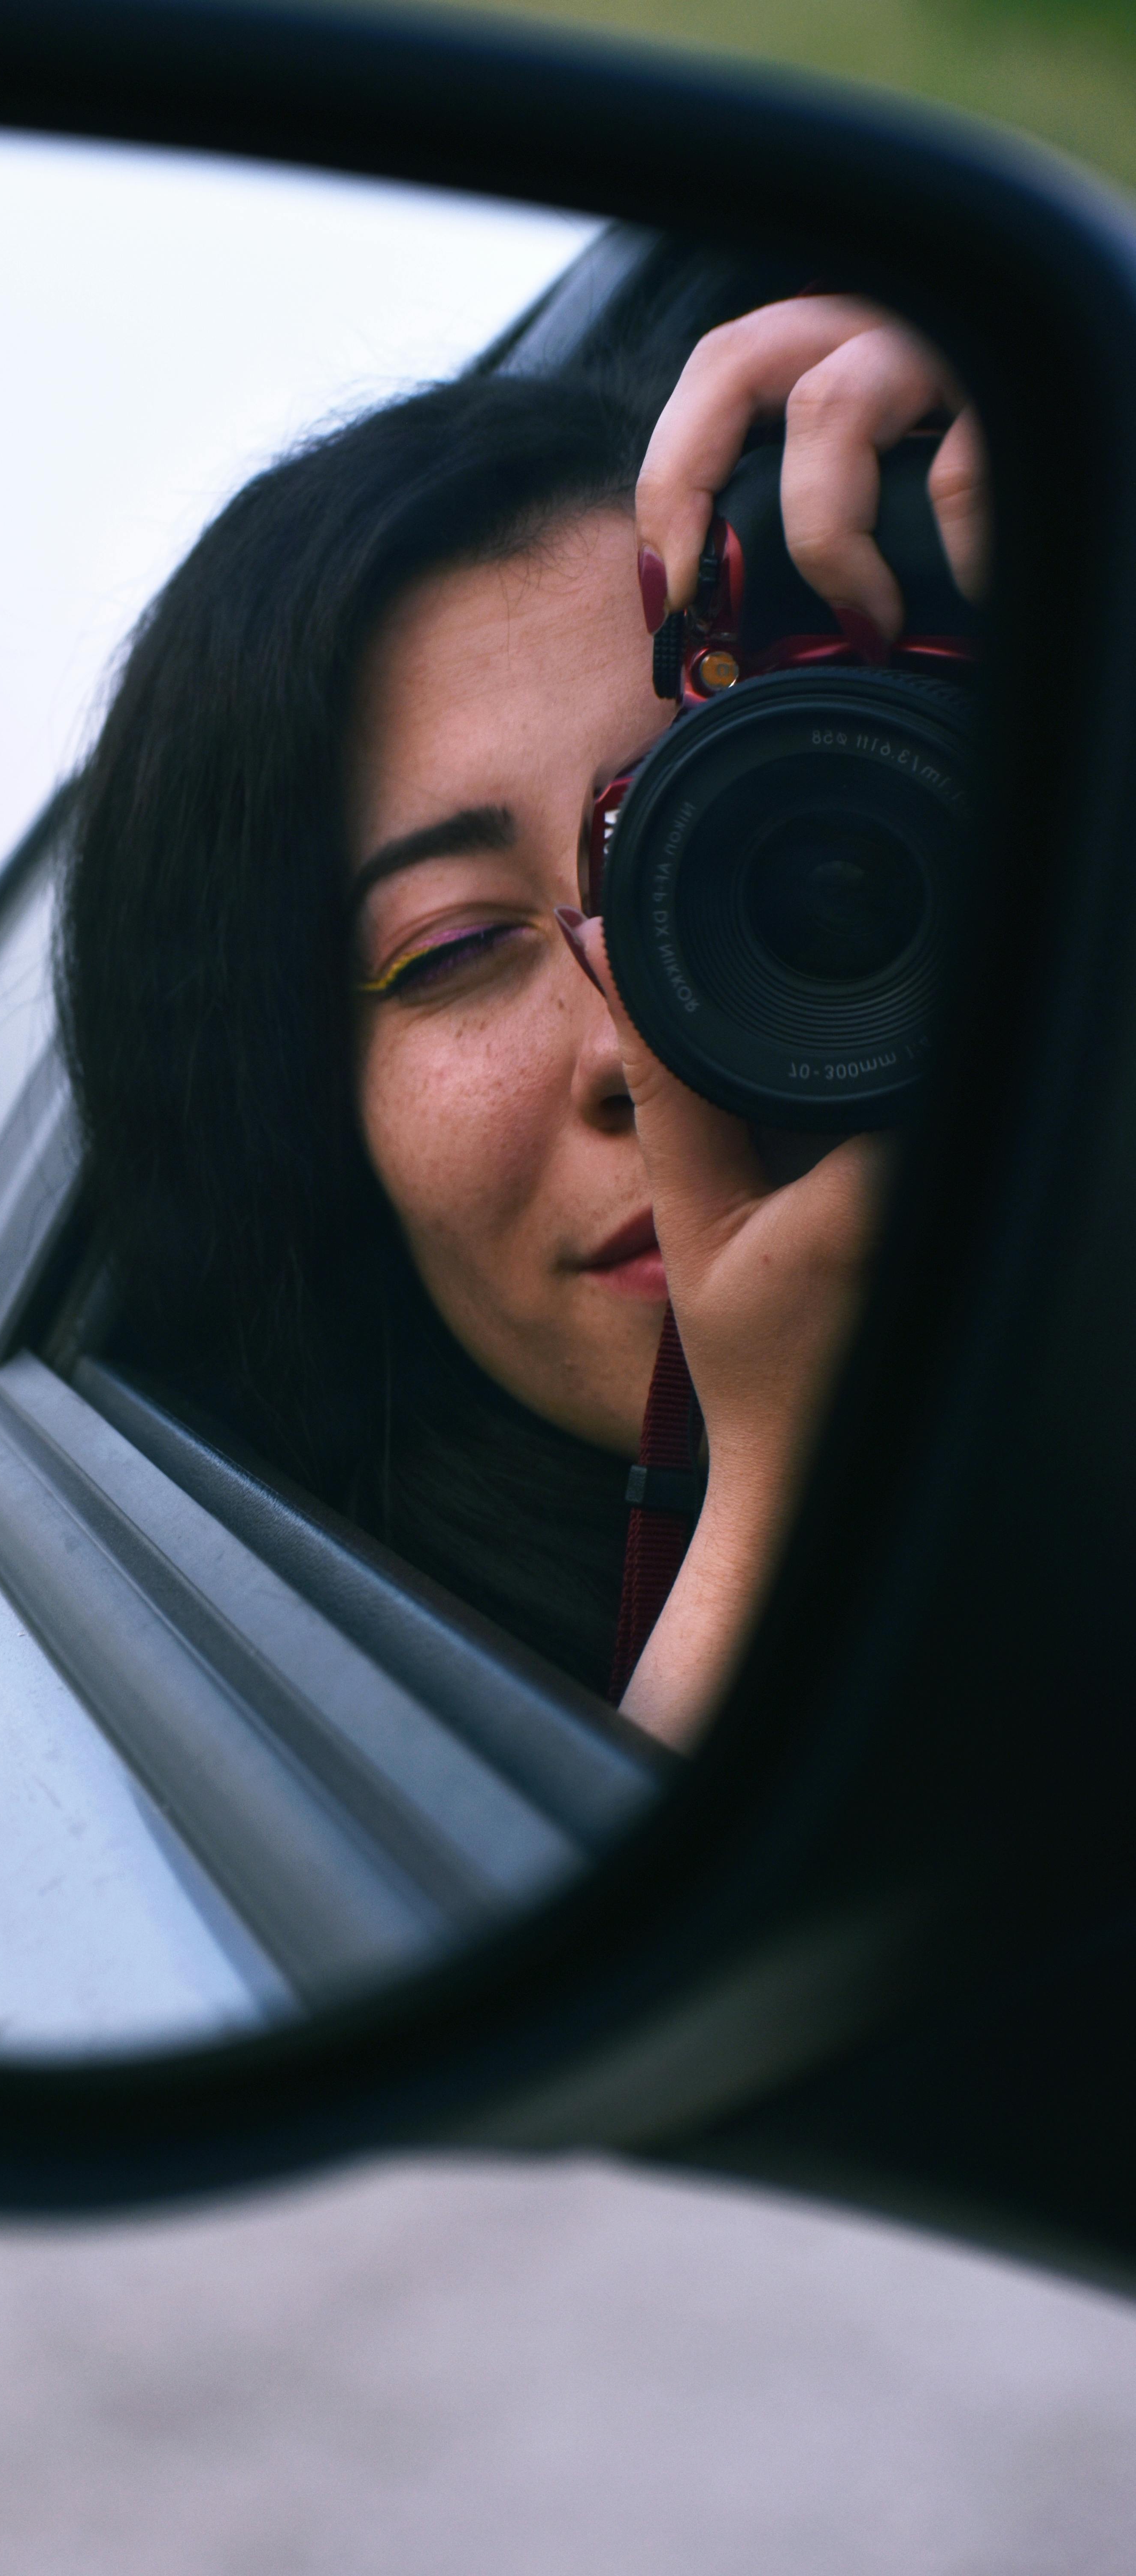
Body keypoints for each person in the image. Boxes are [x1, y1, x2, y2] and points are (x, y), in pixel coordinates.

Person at [59, 293, 988, 1747]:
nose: (643, 1045)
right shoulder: (337, 1709)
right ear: (290, 1122)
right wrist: (772, 1501)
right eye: (457, 947)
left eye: (762, 851)